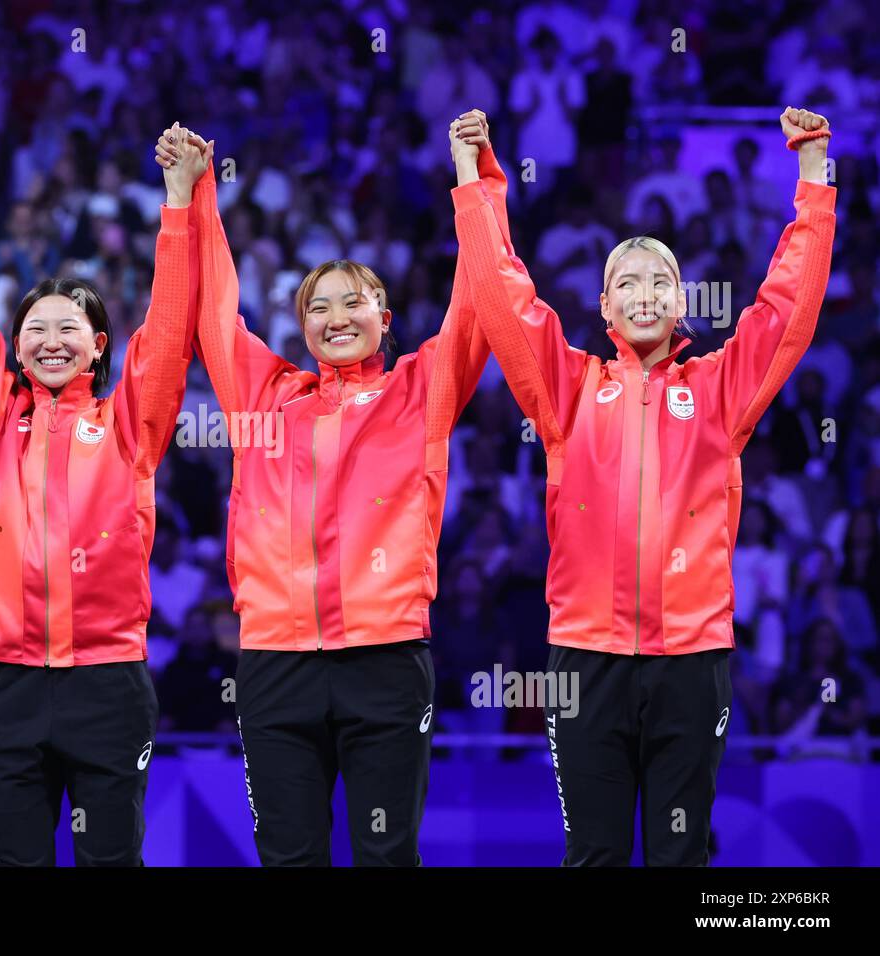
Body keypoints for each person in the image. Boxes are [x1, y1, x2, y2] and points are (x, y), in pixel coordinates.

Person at [452, 106, 836, 865]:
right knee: (593, 856)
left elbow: (786, 311)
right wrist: (477, 179)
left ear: (683, 302)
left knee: (680, 859)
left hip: (692, 660)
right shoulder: (565, 388)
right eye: (626, 281)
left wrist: (815, 175)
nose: (647, 292)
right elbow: (502, 296)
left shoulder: (721, 390)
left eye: (662, 279)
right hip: (584, 660)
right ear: (603, 308)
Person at [161, 126, 503, 866]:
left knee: (386, 856)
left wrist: (477, 185)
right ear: (301, 325)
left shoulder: (421, 389)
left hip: (384, 658)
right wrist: (192, 197)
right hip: (275, 664)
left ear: (384, 314)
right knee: (290, 857)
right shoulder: (264, 395)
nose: (336, 318)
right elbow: (212, 308)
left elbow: (481, 301)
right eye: (318, 307)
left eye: (354, 302)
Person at [0, 122, 201, 866]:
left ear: (100, 344)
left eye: (69, 327)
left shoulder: (129, 423)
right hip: (5, 682)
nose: (51, 340)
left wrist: (179, 204)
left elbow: (171, 328)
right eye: (34, 328)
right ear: (13, 347)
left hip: (107, 680)